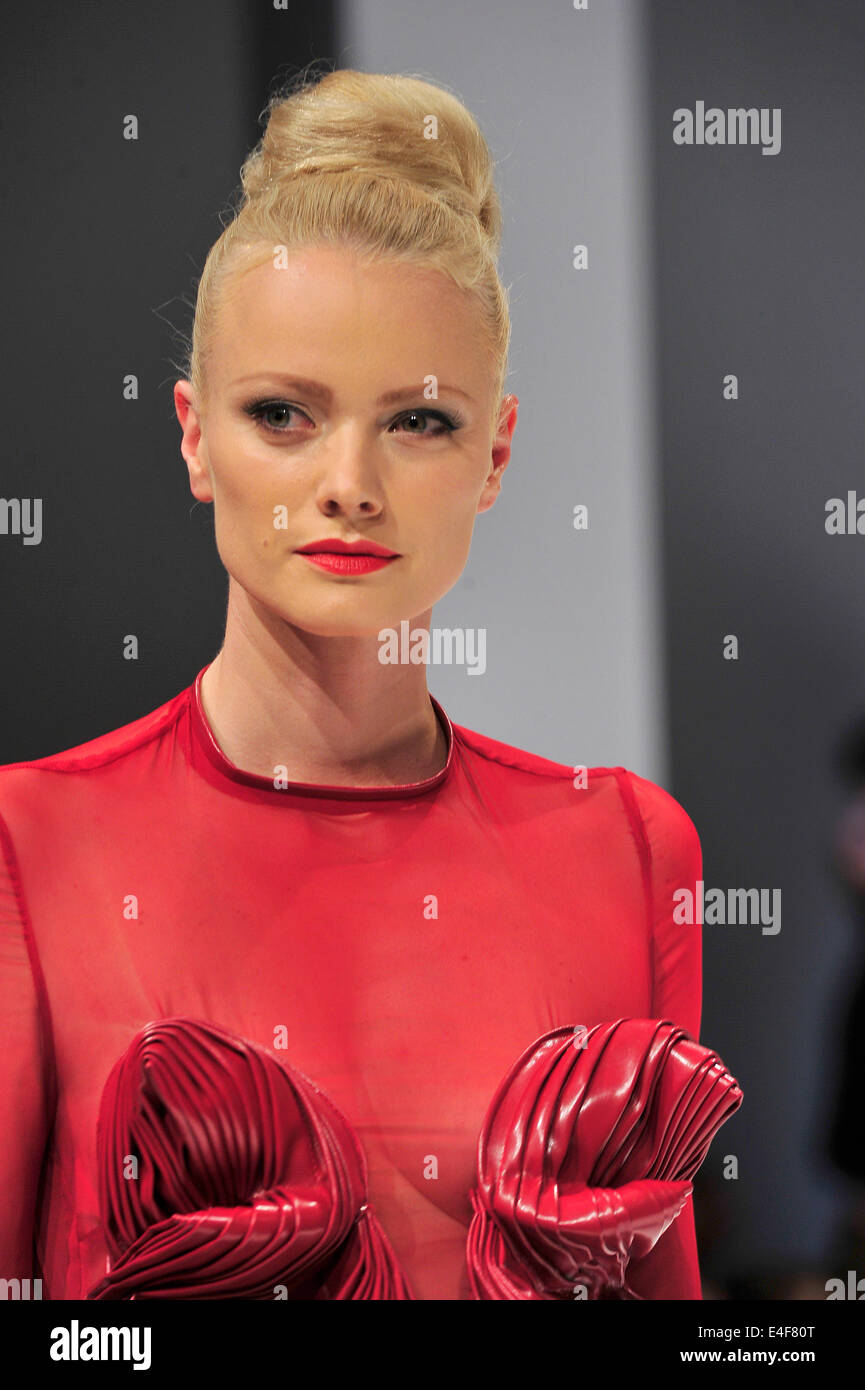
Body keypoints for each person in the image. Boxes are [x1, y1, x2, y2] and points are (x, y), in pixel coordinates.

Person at [0, 67, 722, 1301]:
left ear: (496, 452)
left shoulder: (629, 849)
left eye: (420, 423)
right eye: (282, 413)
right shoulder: (31, 845)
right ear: (191, 434)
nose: (349, 482)